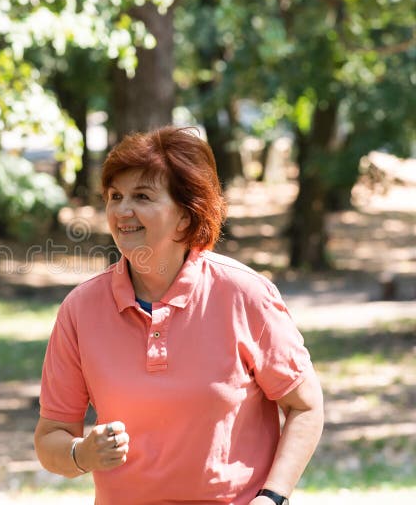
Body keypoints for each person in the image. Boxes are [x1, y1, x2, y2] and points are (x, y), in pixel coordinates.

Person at [34, 126, 323, 505]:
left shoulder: (245, 295)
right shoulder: (80, 309)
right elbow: (51, 434)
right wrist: (80, 454)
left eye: (142, 196)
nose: (122, 210)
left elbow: (304, 406)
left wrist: (272, 498)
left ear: (186, 217)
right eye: (115, 196)